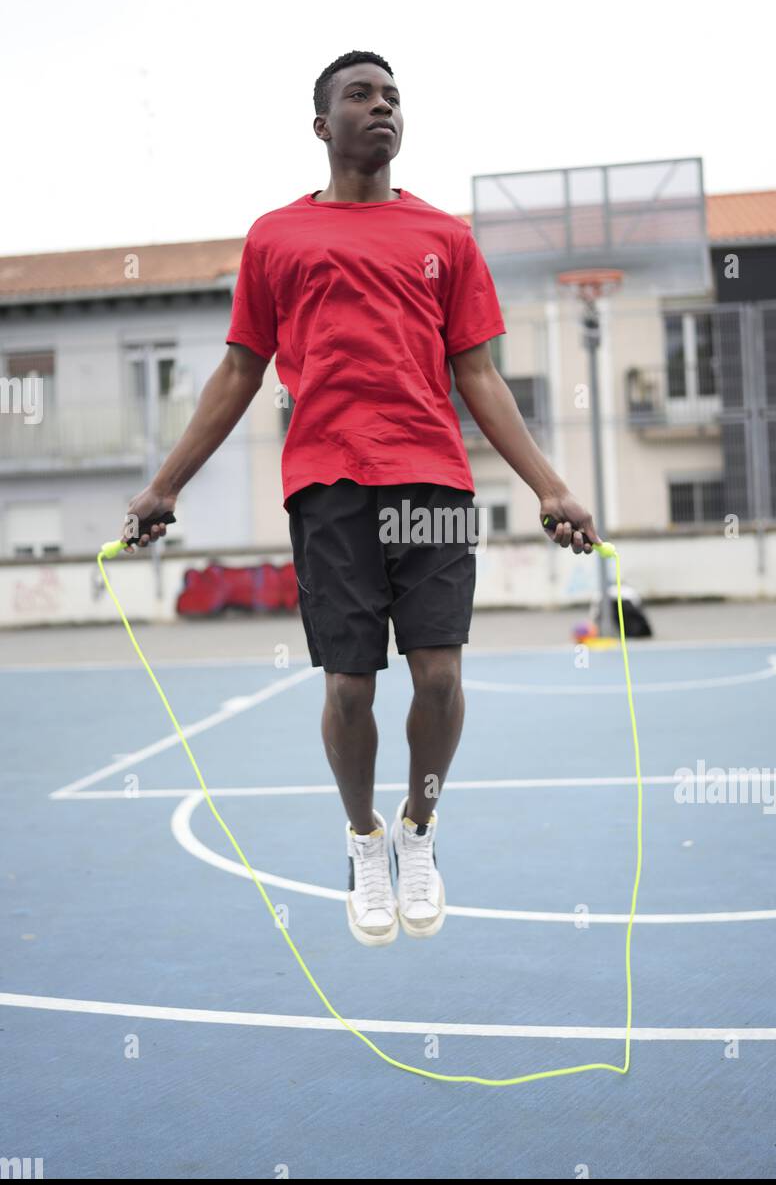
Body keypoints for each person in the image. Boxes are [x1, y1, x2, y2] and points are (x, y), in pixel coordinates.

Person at [122, 49, 599, 948]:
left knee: (442, 676)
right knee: (349, 689)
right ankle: (363, 838)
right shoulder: (276, 237)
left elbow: (480, 374)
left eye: (391, 96)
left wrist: (551, 487)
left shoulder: (447, 238)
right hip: (329, 486)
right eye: (359, 95)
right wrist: (165, 483)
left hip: (434, 478)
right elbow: (238, 370)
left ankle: (418, 830)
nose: (380, 107)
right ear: (322, 125)